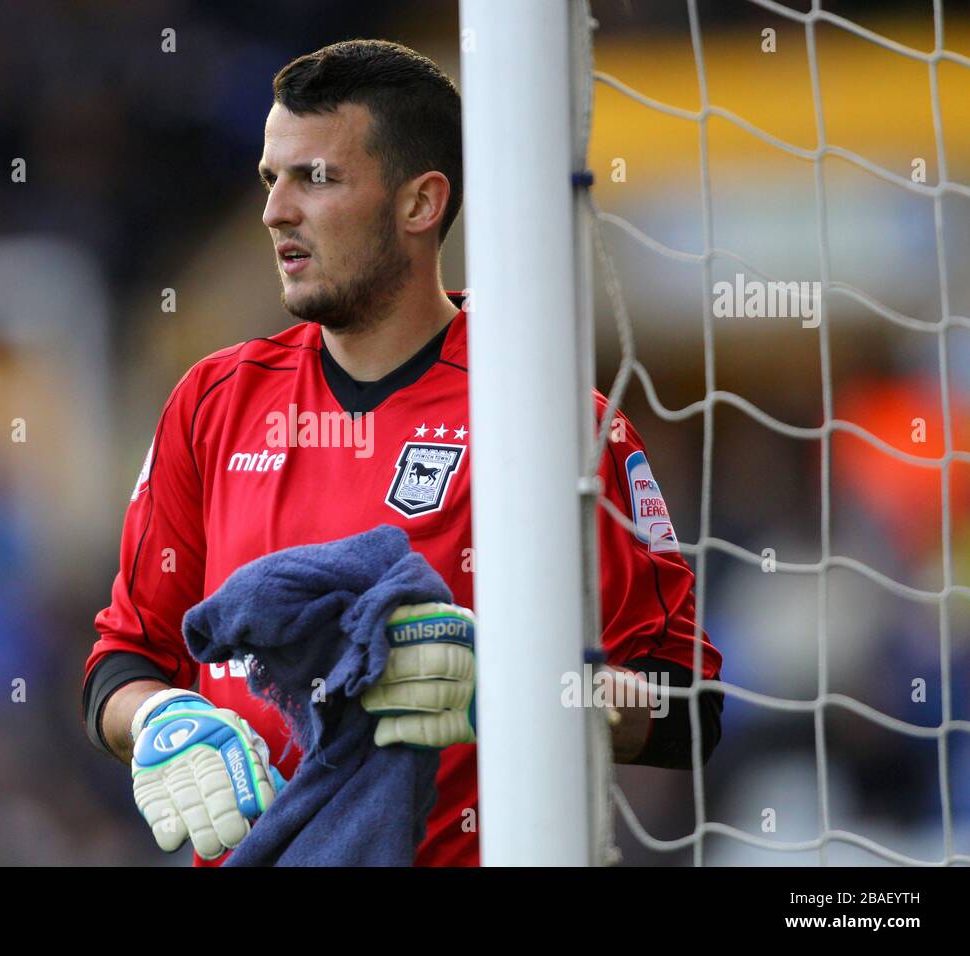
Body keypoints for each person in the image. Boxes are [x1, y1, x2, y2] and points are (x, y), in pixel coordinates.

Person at [81, 39, 723, 866]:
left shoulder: (543, 416)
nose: (276, 210)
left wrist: (517, 688)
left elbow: (689, 708)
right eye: (270, 179)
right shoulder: (213, 403)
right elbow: (124, 660)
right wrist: (157, 721)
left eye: (315, 178)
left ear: (420, 204)